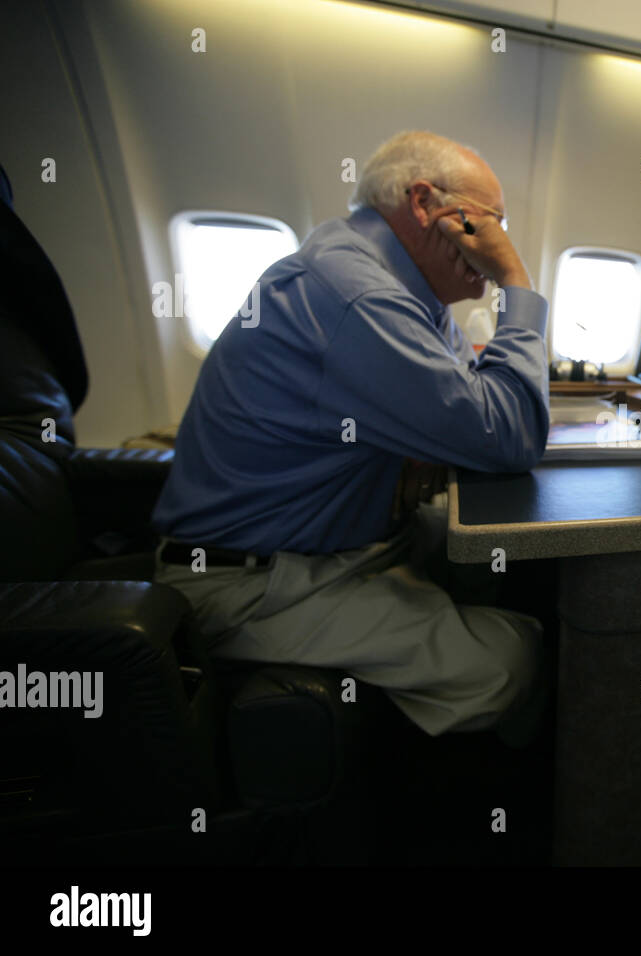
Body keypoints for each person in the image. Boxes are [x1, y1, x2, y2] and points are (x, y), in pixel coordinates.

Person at [152, 130, 549, 744]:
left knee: (508, 562)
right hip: (253, 583)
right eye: (486, 224)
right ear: (423, 203)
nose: (496, 243)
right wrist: (518, 284)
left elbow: (467, 412)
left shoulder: (405, 294)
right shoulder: (355, 295)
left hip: (335, 545)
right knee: (510, 659)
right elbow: (506, 434)